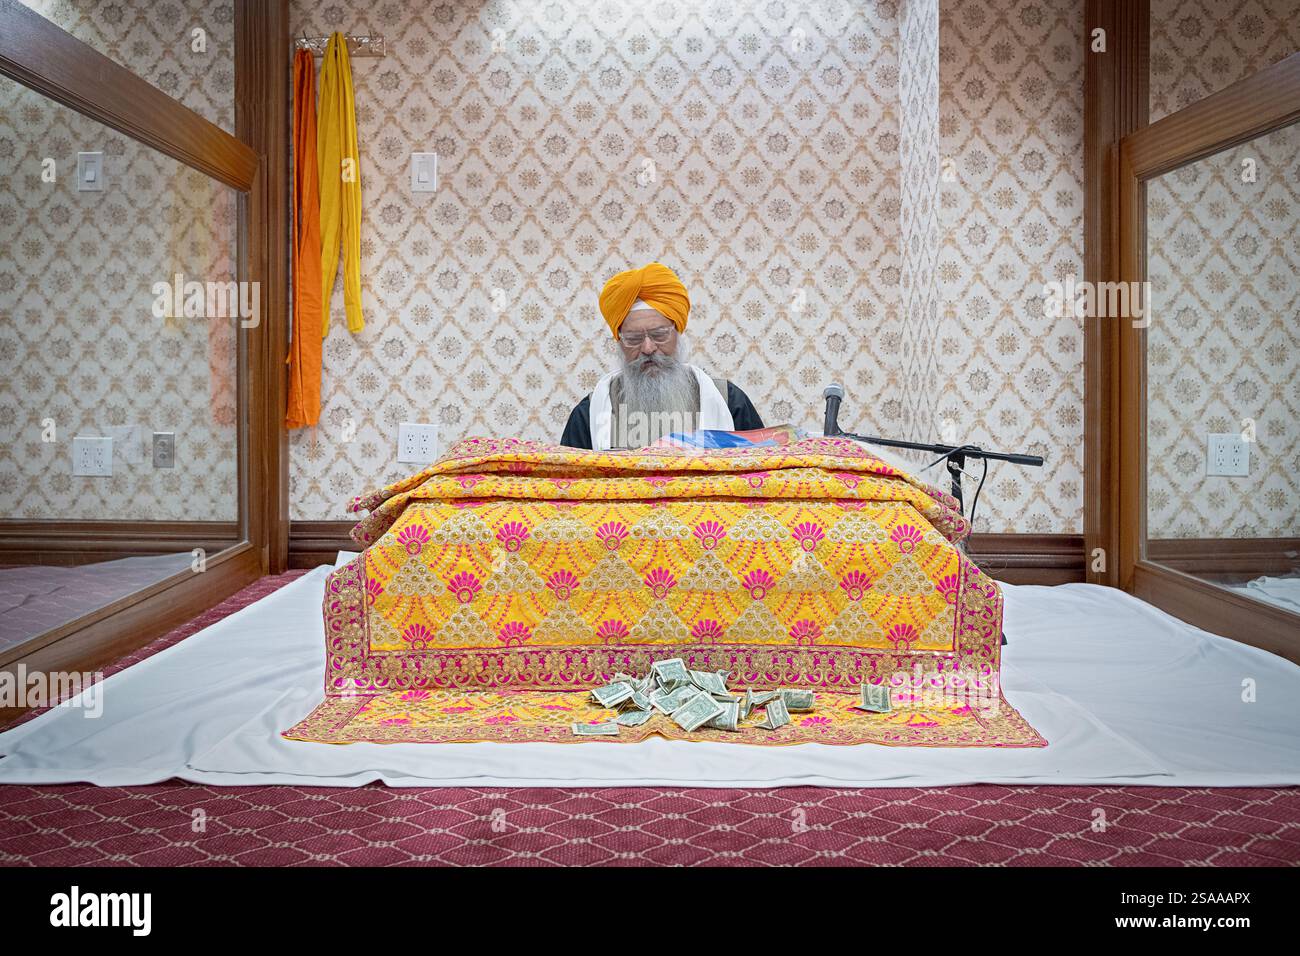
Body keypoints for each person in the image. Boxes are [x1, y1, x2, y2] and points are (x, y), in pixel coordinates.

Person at [560, 262, 764, 450]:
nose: (648, 348)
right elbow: (567, 485)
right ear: (620, 342)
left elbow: (764, 478)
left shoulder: (728, 400)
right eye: (633, 338)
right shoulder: (590, 412)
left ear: (677, 333)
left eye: (659, 335)